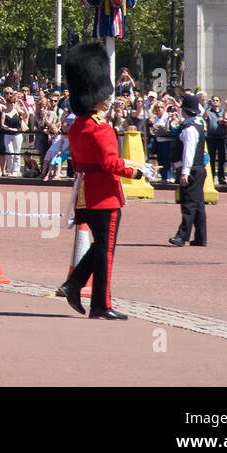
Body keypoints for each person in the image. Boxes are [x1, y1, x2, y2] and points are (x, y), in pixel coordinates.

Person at [58, 42, 147, 320]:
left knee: (100, 246)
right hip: (104, 194)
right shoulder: (101, 127)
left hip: (85, 192)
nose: (107, 100)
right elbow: (110, 164)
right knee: (105, 250)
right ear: (97, 96)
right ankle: (100, 304)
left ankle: (75, 285)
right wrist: (136, 171)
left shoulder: (77, 126)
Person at [169, 94, 207, 248]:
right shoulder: (198, 123)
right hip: (198, 168)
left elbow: (188, 152)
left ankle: (182, 236)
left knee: (188, 203)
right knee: (197, 204)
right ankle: (200, 237)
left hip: (191, 169)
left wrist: (184, 172)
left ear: (185, 111)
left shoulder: (189, 129)